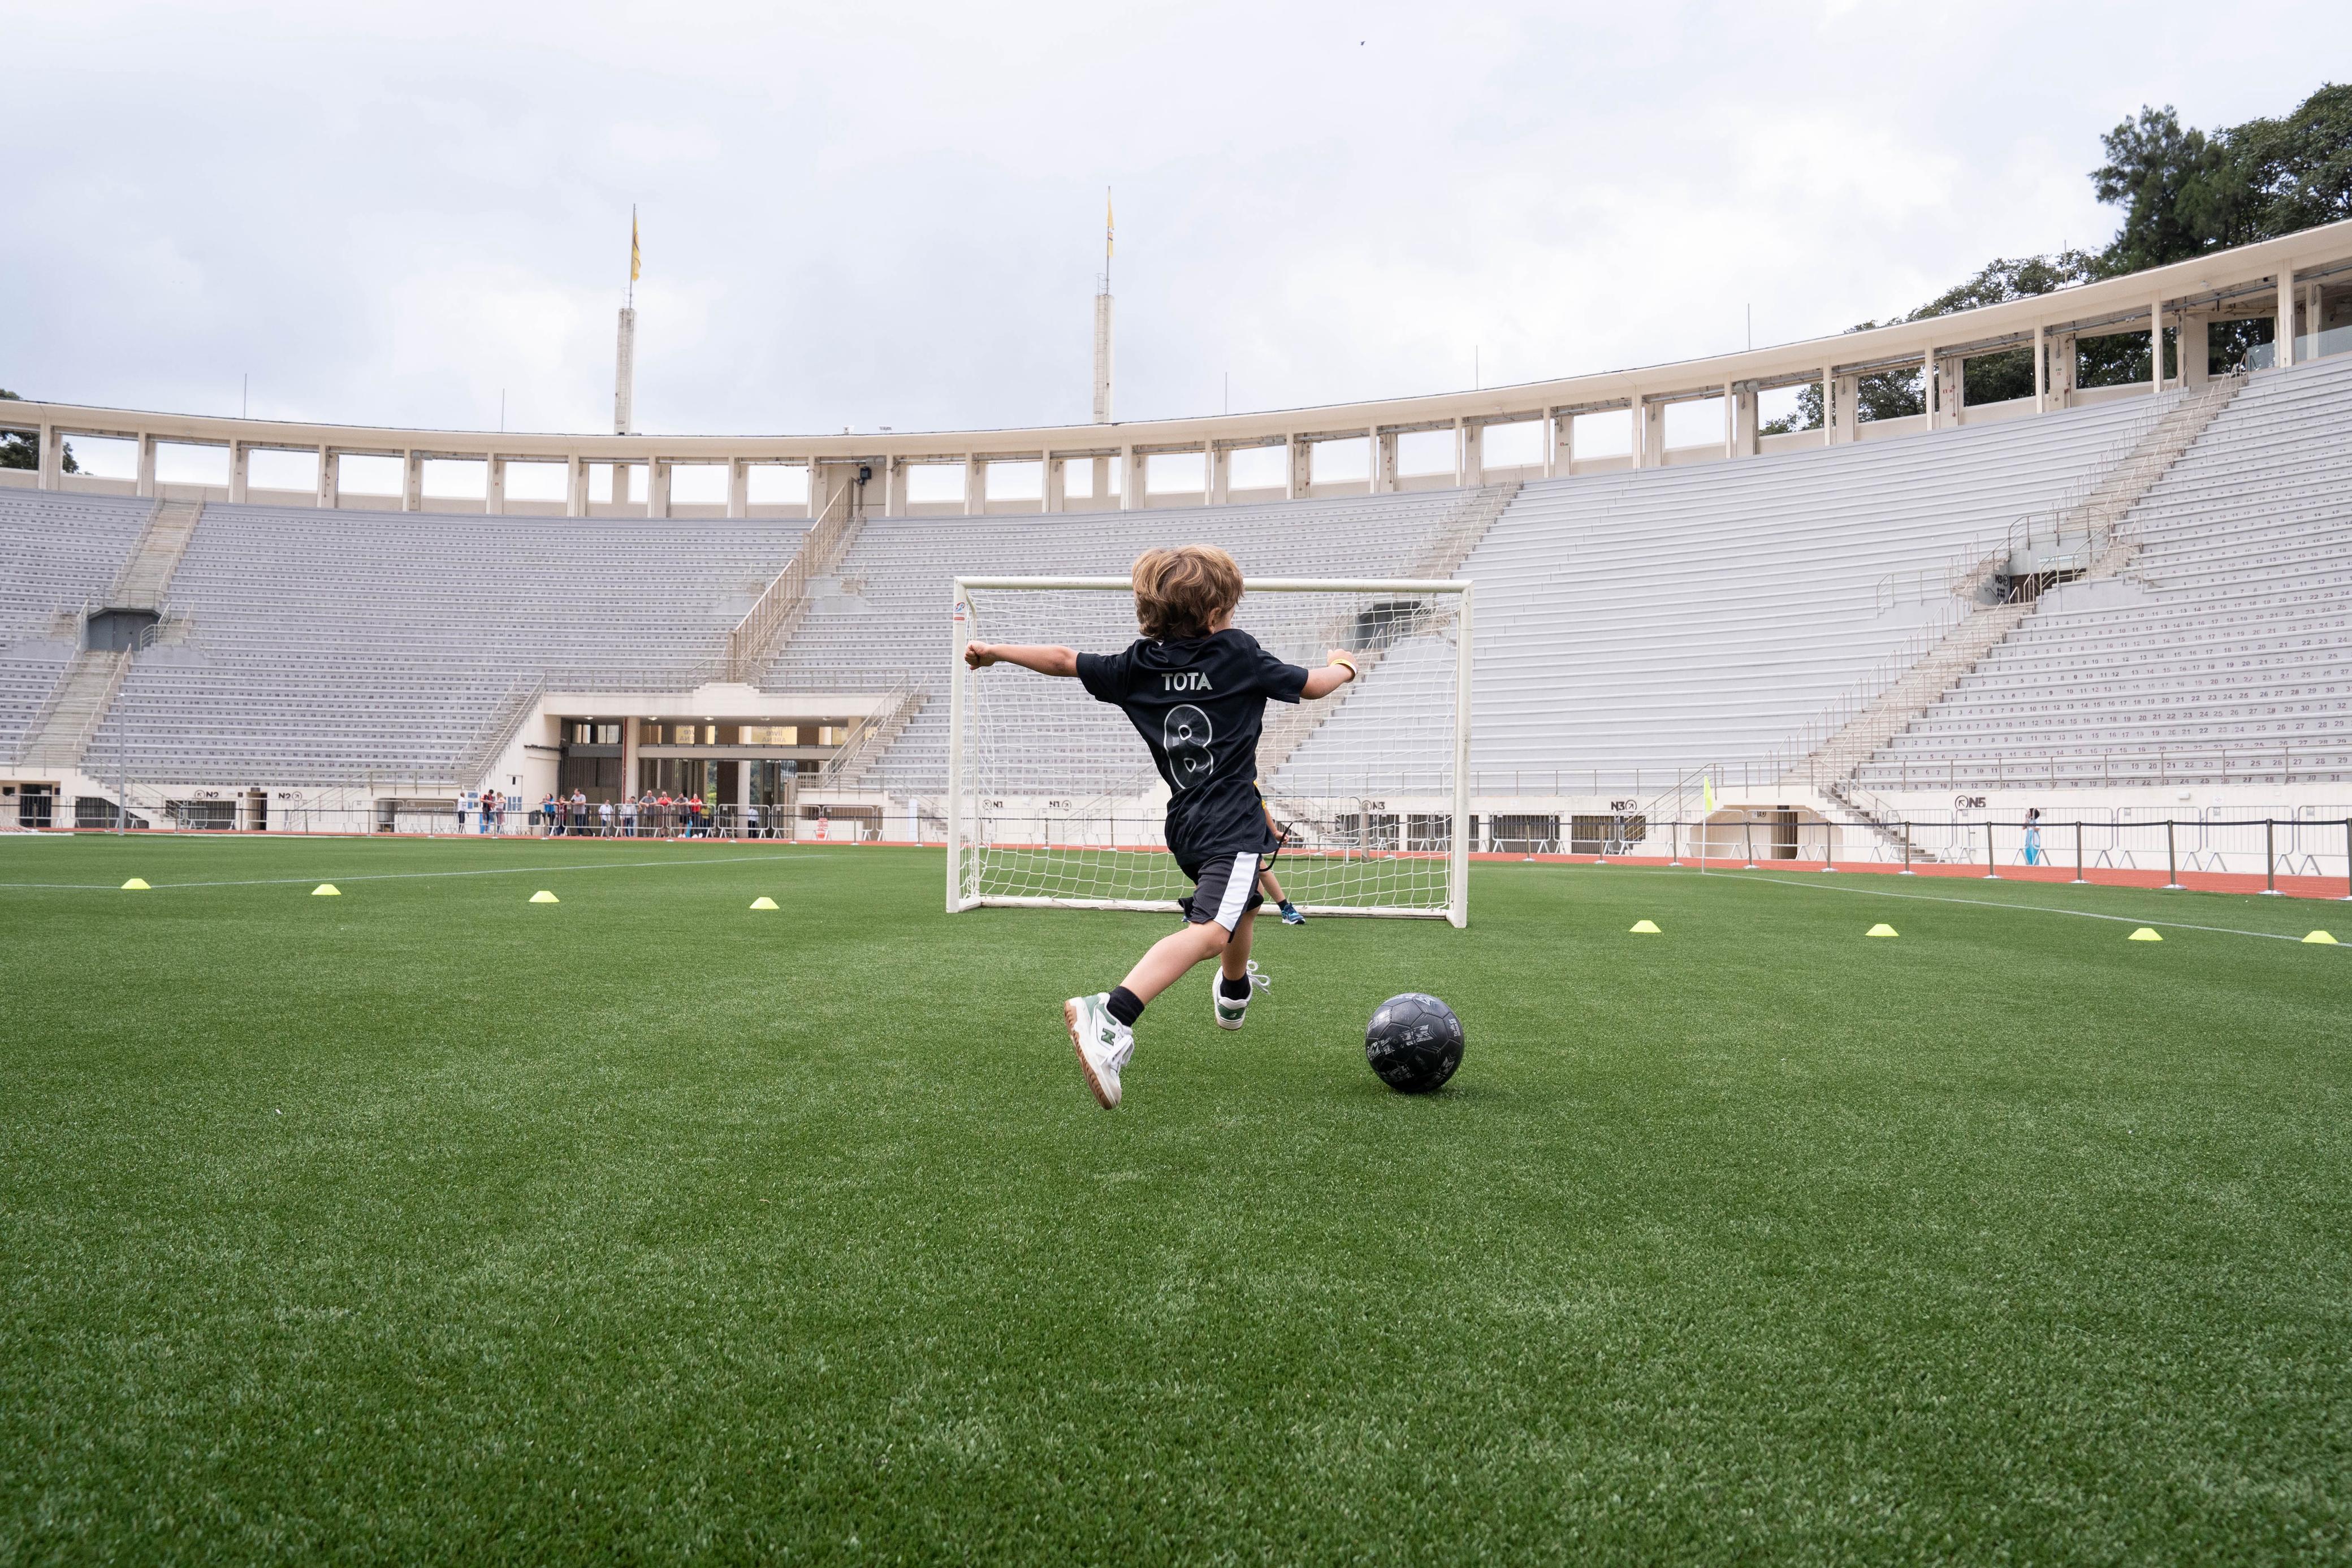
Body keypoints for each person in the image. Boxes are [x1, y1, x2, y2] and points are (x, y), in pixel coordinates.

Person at [962, 544, 1359, 1110]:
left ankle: (1234, 986)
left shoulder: (1136, 664)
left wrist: (994, 651)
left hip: (1186, 821)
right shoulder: (1237, 653)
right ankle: (1112, 1012)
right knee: (1211, 929)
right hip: (1231, 818)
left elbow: (1061, 657)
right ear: (1220, 609)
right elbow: (1315, 685)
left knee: (1238, 904)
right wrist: (1344, 664)